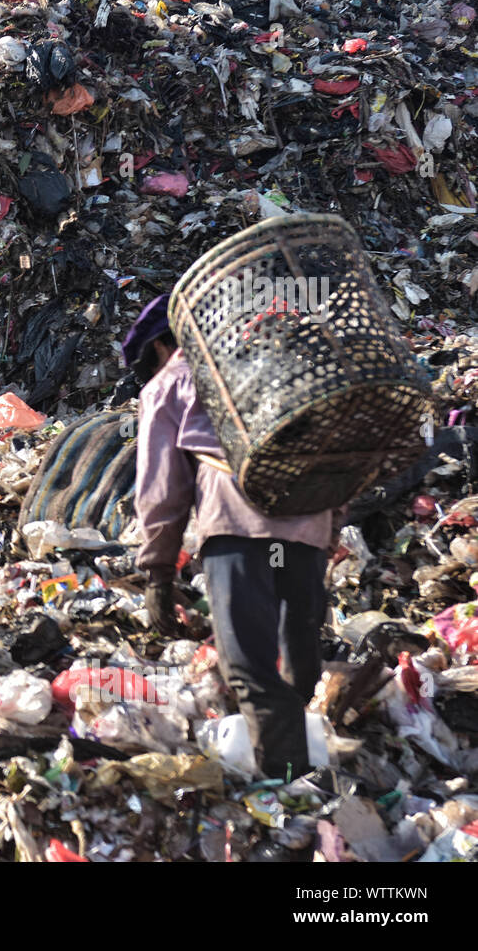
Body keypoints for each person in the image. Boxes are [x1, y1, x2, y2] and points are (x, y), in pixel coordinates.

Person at [126, 294, 339, 780]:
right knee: (296, 652)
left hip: (242, 535)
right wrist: (327, 528)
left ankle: (290, 785)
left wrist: (159, 571)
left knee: (249, 663)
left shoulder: (175, 380)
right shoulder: (283, 367)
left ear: (163, 343)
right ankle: (301, 764)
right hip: (298, 537)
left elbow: (163, 485)